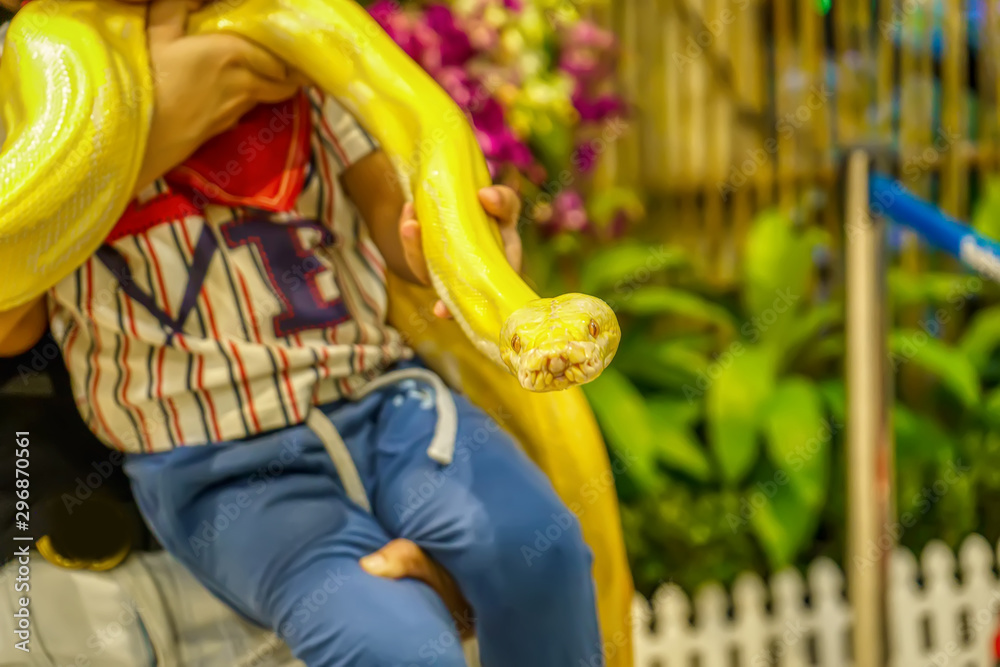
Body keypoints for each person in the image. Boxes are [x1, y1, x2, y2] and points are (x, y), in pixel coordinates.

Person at [0, 2, 603, 666]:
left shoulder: (294, 36)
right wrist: (138, 143)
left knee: (539, 547)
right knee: (391, 642)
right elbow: (12, 320)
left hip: (384, 400)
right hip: (215, 463)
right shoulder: (26, 92)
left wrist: (455, 243)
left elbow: (393, 211)